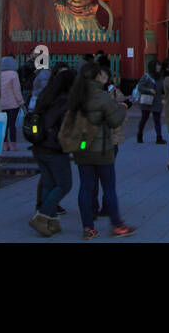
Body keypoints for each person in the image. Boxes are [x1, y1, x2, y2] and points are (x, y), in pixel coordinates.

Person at [66, 62, 135, 238]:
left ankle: (88, 227)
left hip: (81, 147)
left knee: (86, 187)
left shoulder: (75, 95)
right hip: (102, 149)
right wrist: (123, 107)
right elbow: (114, 121)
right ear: (97, 77)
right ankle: (117, 225)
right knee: (108, 187)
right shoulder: (102, 96)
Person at [28, 67, 75, 236]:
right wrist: (80, 145)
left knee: (49, 183)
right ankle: (42, 216)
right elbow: (66, 129)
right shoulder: (65, 102)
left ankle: (52, 222)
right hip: (54, 148)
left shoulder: (45, 96)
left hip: (38, 145)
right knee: (64, 185)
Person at [134, 60, 165, 145]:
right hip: (147, 100)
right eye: (157, 65)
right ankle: (139, 134)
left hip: (157, 100)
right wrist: (148, 90)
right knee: (144, 118)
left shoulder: (161, 77)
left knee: (157, 119)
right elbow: (140, 87)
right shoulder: (146, 77)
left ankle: (159, 137)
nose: (159, 67)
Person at [0, 56, 24, 152]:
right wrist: (21, 101)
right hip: (13, 104)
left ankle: (5, 144)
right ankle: (13, 145)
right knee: (12, 125)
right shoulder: (14, 74)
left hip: (2, 104)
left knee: (4, 125)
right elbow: (16, 90)